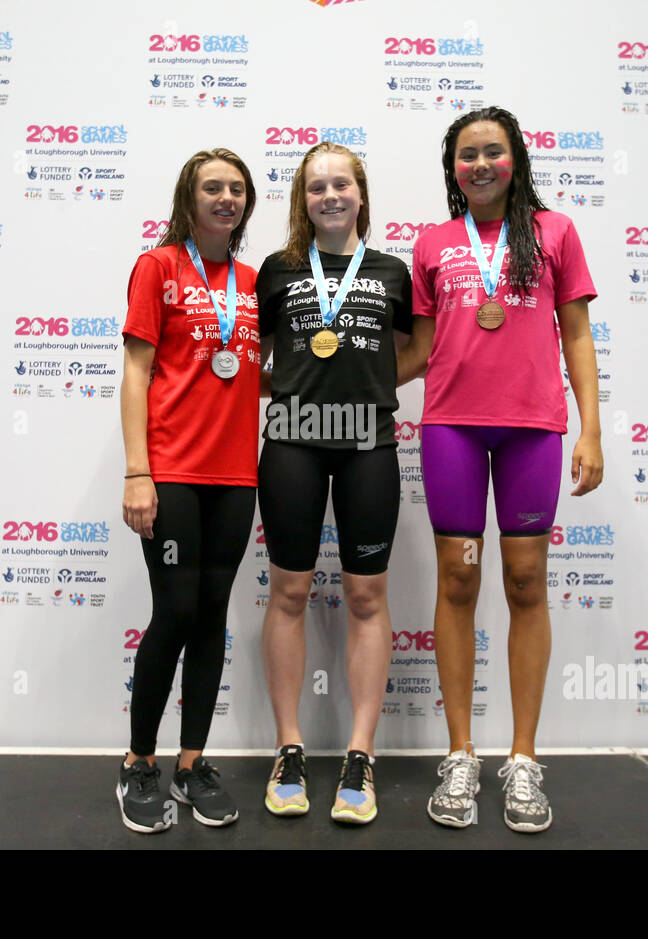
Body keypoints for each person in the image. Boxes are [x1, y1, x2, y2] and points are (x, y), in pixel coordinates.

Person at [400, 107, 603, 832]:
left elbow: (575, 333)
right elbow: (420, 349)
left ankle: (522, 757)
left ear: (515, 158)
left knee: (525, 582)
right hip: (452, 426)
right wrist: (339, 379)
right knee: (458, 578)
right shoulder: (433, 243)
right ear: (452, 169)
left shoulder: (555, 233)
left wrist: (592, 429)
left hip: (531, 430)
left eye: (492, 152)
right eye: (466, 155)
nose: (479, 164)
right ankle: (461, 753)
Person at [255, 141, 414, 824]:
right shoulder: (276, 271)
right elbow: (253, 355)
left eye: (340, 184)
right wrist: (291, 390)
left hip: (368, 444)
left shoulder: (392, 271)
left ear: (360, 194)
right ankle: (289, 748)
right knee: (288, 590)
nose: (329, 195)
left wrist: (368, 389)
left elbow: (415, 354)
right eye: (316, 187)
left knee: (366, 594)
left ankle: (360, 753)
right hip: (291, 441)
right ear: (302, 200)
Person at [117, 148, 260, 833]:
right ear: (189, 196)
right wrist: (137, 470)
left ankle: (190, 764)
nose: (225, 198)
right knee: (173, 611)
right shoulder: (158, 267)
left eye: (235, 188)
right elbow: (137, 374)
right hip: (171, 471)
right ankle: (138, 761)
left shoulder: (254, 281)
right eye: (213, 187)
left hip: (237, 477)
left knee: (210, 616)